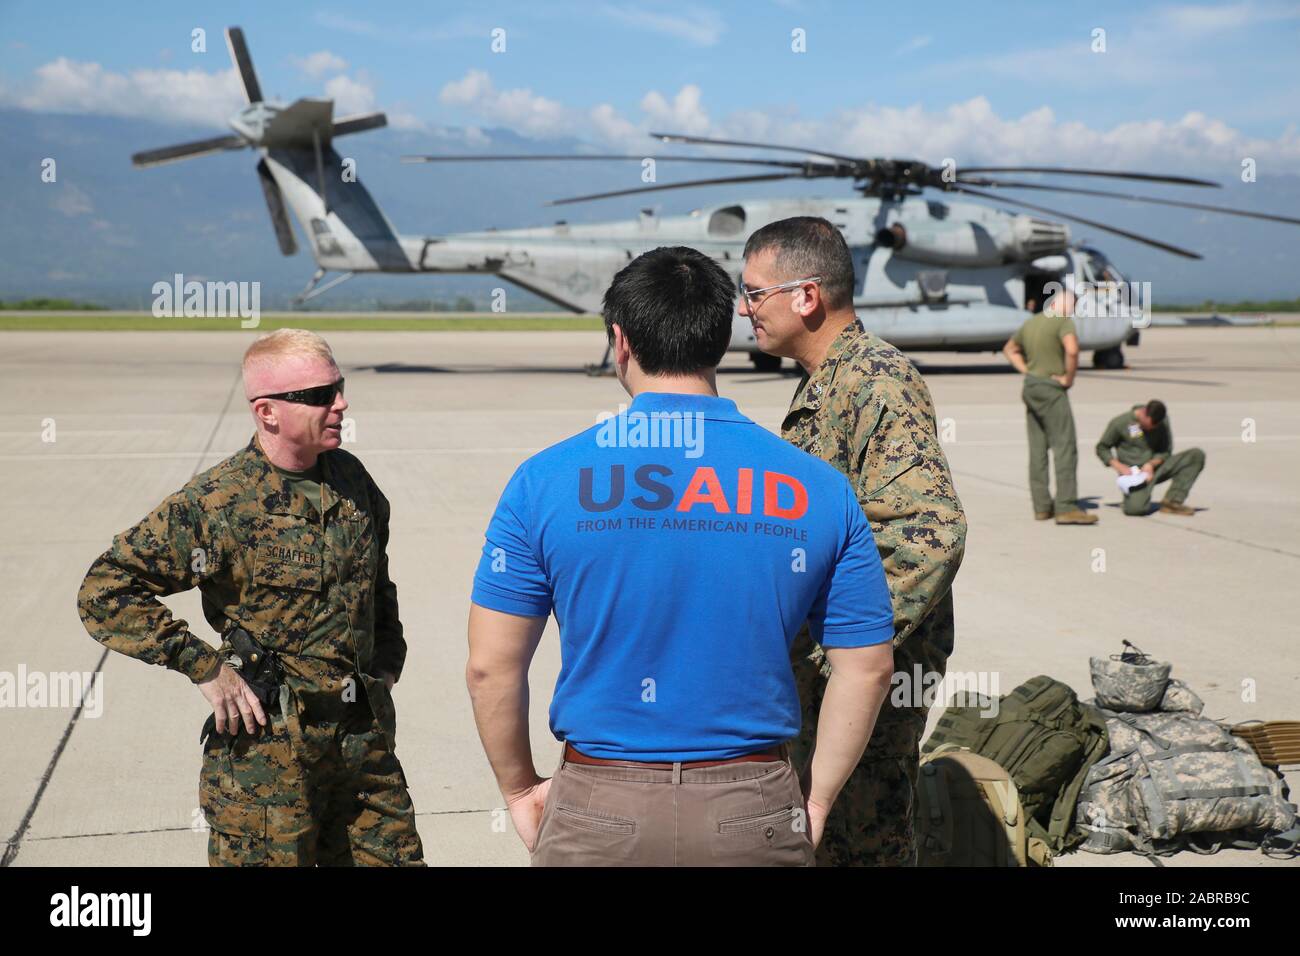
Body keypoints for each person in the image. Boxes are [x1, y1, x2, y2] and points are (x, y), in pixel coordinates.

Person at [466, 245, 896, 867]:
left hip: (599, 803)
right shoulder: (819, 487)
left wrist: (519, 788)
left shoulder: (544, 480)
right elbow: (868, 668)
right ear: (720, 341)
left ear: (621, 341)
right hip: (755, 808)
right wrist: (818, 800)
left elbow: (490, 667)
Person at [77, 329, 424, 866]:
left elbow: (377, 583)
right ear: (267, 412)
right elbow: (106, 589)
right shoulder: (217, 502)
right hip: (268, 759)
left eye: (339, 387)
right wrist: (205, 667)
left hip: (361, 749)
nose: (341, 403)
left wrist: (386, 664)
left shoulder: (353, 479)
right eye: (319, 395)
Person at [738, 216, 967, 866]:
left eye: (755, 293)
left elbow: (931, 534)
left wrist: (843, 647)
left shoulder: (873, 380)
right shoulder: (829, 381)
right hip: (842, 674)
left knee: (862, 839)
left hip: (868, 679)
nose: (746, 308)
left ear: (805, 297)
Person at [1003, 289, 1098, 525]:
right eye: (1074, 307)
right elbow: (1073, 350)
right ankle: (1066, 506)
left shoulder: (1032, 322)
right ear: (1066, 305)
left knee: (1038, 449)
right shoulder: (1063, 322)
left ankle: (1042, 506)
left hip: (1032, 386)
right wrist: (1068, 378)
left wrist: (1027, 370)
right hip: (1051, 389)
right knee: (1065, 447)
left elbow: (1010, 349)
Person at [1096, 399, 1204, 516]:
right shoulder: (1120, 423)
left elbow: (1165, 451)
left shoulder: (1162, 422)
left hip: (1156, 468)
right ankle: (1133, 498)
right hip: (1134, 475)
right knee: (1136, 509)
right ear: (1143, 412)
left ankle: (1172, 501)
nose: (1150, 429)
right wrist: (1118, 466)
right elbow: (1102, 447)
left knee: (1196, 455)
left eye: (1153, 427)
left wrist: (1151, 464)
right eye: (1147, 426)